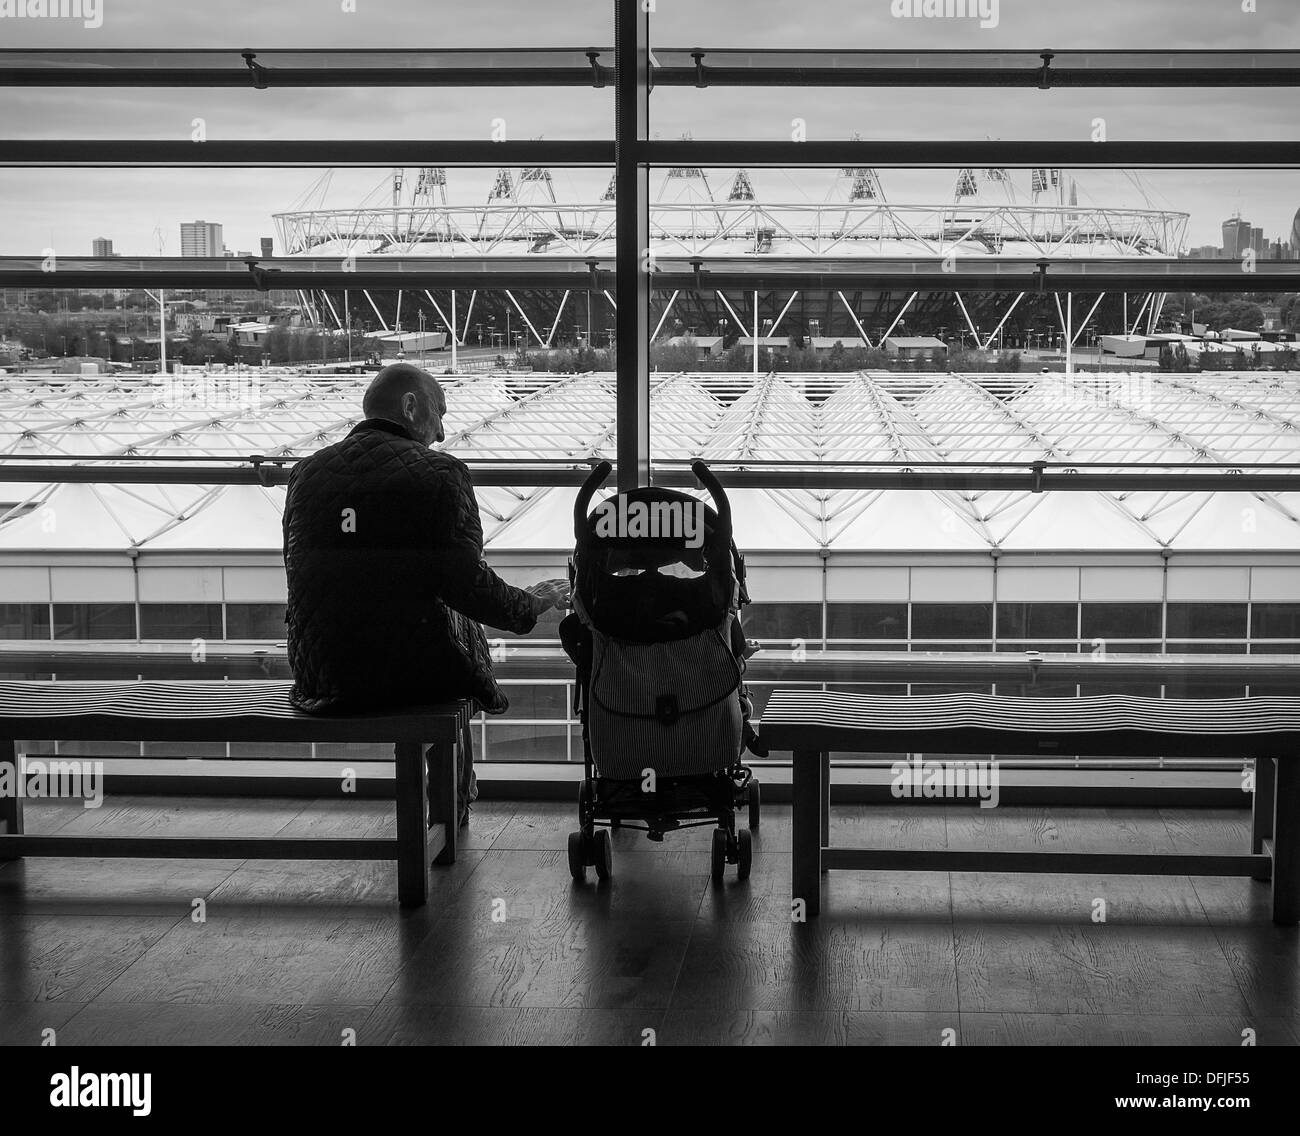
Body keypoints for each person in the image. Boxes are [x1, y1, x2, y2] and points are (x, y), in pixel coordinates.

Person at [282, 362, 569, 823]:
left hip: (323, 674)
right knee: (452, 642)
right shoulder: (441, 473)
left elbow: (302, 571)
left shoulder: (306, 473)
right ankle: (450, 811)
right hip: (408, 677)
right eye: (438, 414)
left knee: (426, 619)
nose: (440, 431)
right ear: (411, 407)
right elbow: (464, 584)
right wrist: (528, 605)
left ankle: (452, 804)